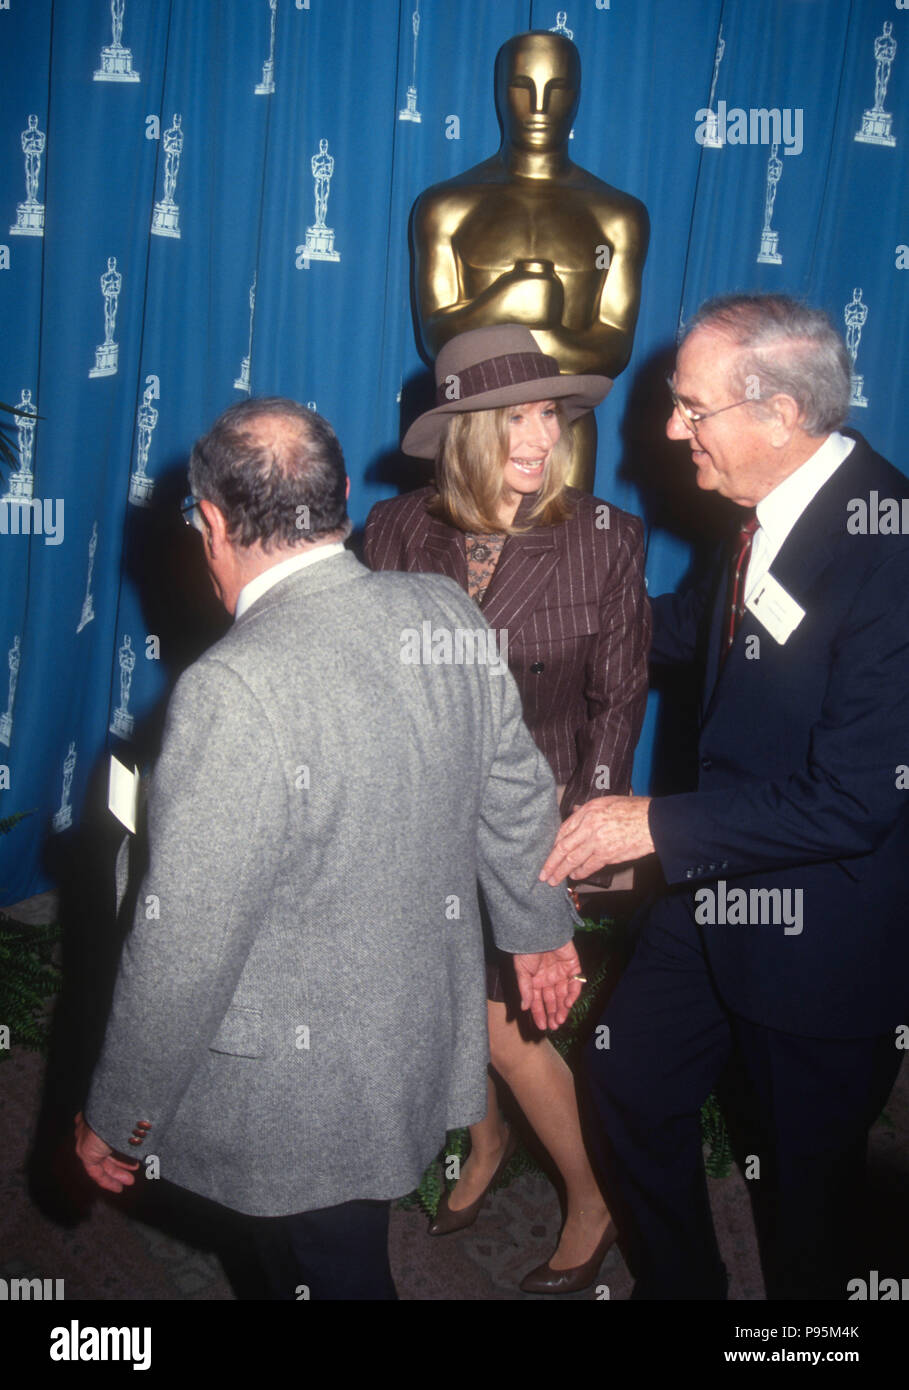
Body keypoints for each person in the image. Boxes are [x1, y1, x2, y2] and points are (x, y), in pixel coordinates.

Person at [74, 397, 584, 1301]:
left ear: (213, 524)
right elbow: (514, 791)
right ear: (344, 495)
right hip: (411, 1042)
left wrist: (121, 1114)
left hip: (295, 1103)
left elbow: (184, 947)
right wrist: (539, 930)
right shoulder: (442, 609)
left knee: (322, 1276)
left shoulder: (232, 686)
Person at [541, 294, 909, 1300]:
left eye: (690, 410)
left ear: (780, 415)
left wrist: (653, 823)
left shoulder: (891, 551)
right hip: (711, 897)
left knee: (806, 1215)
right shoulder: (765, 512)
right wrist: (526, 625)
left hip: (826, 941)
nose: (668, 430)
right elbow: (684, 631)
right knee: (623, 1087)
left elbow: (854, 802)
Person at [365, 323, 651, 1293]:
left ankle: (592, 1189)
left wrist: (593, 821)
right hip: (421, 816)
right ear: (461, 431)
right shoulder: (399, 531)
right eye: (511, 416)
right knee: (445, 1008)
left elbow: (621, 697)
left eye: (550, 414)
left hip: (535, 823)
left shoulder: (606, 540)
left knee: (506, 1025)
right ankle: (484, 1147)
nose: (539, 437)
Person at [411, 29, 649, 490]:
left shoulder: (618, 215)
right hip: (474, 423)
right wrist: (512, 301)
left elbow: (614, 348)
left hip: (566, 425)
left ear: (576, 98)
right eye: (522, 87)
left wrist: (529, 325)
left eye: (557, 91)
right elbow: (436, 338)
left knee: (565, 554)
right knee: (459, 560)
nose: (539, 106)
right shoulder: (447, 206)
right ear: (501, 93)